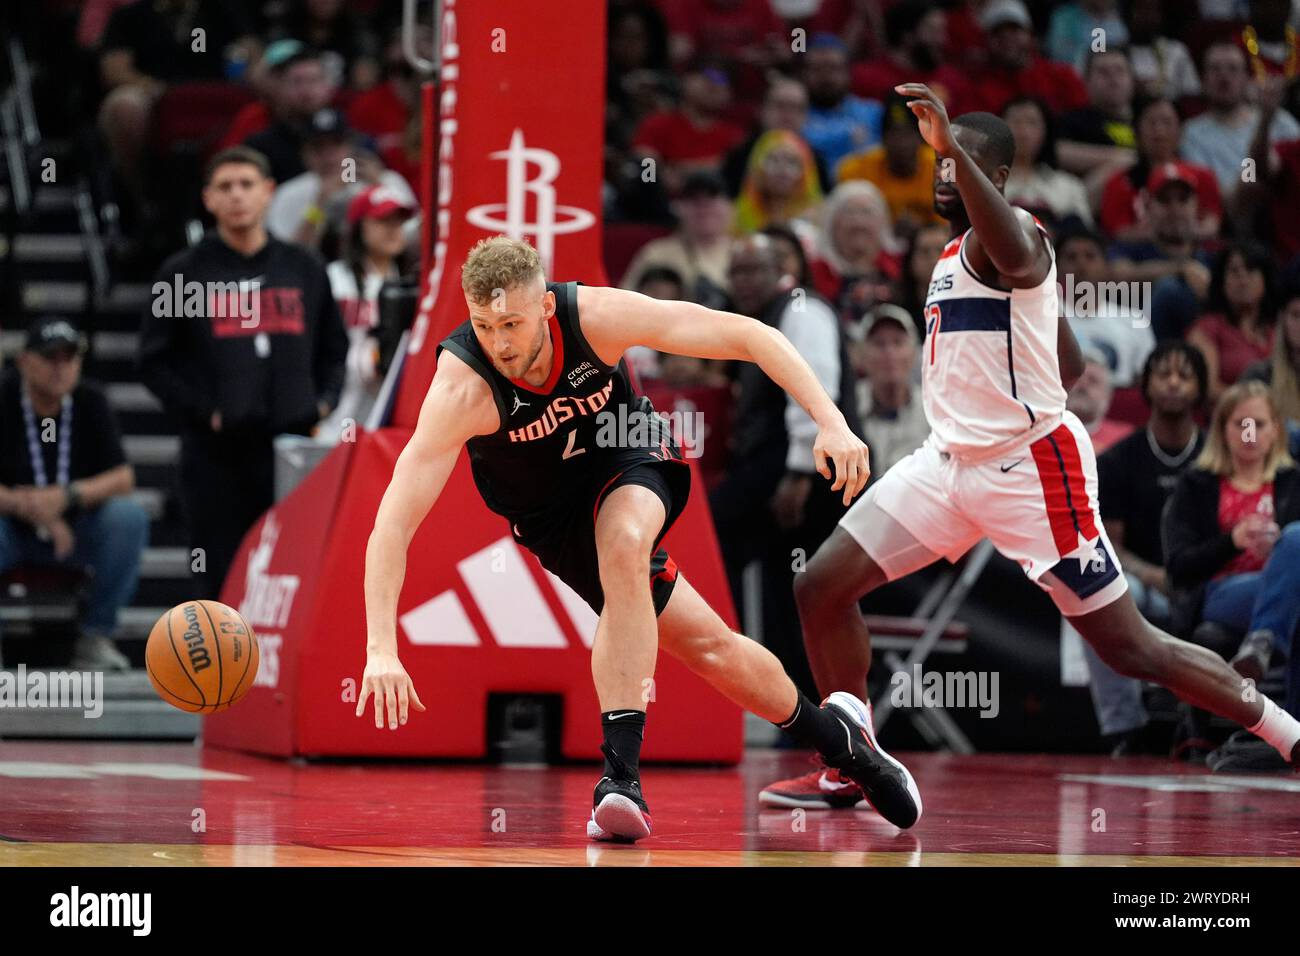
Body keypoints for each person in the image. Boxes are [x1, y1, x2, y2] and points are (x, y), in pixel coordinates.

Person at [759, 87, 1300, 810]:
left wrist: (951, 143)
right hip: (946, 464)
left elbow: (1016, 255)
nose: (944, 174)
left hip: (1030, 469)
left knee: (1132, 647)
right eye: (940, 165)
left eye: (961, 164)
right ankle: (850, 759)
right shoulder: (953, 254)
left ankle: (1289, 732)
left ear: (998, 178)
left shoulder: (1015, 232)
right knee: (819, 587)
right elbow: (1068, 365)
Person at [358, 236, 921, 841]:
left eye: (513, 323)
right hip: (555, 519)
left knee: (624, 543)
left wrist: (830, 421)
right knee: (710, 648)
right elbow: (393, 522)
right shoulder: (461, 390)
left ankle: (619, 778)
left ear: (546, 308)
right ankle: (842, 742)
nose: (499, 342)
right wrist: (381, 649)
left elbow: (746, 335)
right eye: (484, 324)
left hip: (627, 454)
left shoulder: (595, 318)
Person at [139, 147, 348, 601]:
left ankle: (281, 673)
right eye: (225, 187)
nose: (237, 196)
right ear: (208, 199)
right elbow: (154, 362)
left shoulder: (303, 267)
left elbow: (335, 347)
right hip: (215, 457)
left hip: (293, 450)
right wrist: (204, 412)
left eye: (247, 185)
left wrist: (324, 402)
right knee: (221, 578)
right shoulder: (182, 274)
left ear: (269, 192)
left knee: (293, 574)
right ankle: (221, 672)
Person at [710, 234, 863, 701]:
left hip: (810, 468)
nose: (744, 281)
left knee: (712, 534)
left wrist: (798, 474)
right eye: (736, 272)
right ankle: (797, 710)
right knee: (787, 591)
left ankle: (729, 677)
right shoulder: (760, 321)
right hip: (784, 465)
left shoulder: (801, 310)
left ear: (784, 267)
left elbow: (815, 390)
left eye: (754, 270)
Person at [1164, 382, 1300, 769]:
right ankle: (1288, 726)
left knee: (1294, 539)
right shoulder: (1197, 484)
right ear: (1223, 430)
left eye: (1259, 423)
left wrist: (1280, 550)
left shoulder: (1294, 482)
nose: (1250, 434)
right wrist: (1233, 541)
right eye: (1240, 423)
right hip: (1221, 595)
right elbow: (1179, 567)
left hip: (1283, 592)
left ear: (1276, 429)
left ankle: (1262, 644)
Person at [0, 318, 149, 670]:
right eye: (51, 357)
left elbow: (124, 478)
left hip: (75, 533)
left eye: (70, 358)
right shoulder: (4, 397)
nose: (61, 368)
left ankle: (94, 636)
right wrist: (26, 504)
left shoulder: (89, 399)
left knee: (128, 517)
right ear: (24, 361)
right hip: (13, 531)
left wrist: (65, 497)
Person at [1086, 342, 1207, 752]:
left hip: (1203, 583)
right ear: (1146, 386)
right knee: (1098, 596)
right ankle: (1124, 729)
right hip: (1147, 589)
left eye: (1184, 375)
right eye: (1164, 374)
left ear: (1201, 388)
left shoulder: (1214, 456)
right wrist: (1154, 575)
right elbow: (1110, 546)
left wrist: (1189, 576)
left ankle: (1212, 728)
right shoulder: (1120, 459)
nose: (1173, 383)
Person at [317, 185, 416, 442]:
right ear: (360, 227)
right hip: (335, 412)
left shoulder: (414, 287)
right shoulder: (333, 279)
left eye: (400, 221)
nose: (394, 229)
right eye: (383, 220)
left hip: (386, 408)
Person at [1180, 41, 1300, 203]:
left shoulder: (1278, 120)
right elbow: (1209, 192)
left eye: (1233, 69)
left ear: (1247, 79)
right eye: (1215, 69)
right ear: (1203, 79)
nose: (1224, 76)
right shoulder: (1191, 133)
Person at [620, 169, 733, 310]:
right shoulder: (656, 253)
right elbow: (625, 303)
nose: (703, 207)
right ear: (679, 208)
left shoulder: (746, 252)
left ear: (729, 206)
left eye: (712, 197)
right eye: (694, 200)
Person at [1187, 242, 1276, 404]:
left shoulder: (1280, 327)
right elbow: (1208, 389)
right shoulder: (1207, 328)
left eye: (1250, 270)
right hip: (1231, 419)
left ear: (1265, 278)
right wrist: (1262, 404)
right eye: (1234, 271)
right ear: (1222, 280)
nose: (1242, 280)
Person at [850, 304, 930, 478]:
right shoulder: (846, 411)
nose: (889, 353)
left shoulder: (933, 411)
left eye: (898, 342)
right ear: (861, 356)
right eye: (879, 344)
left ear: (914, 353)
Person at [1001, 96, 1093, 226]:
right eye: (1016, 122)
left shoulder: (1071, 187)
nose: (1023, 131)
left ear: (1046, 131)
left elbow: (1082, 238)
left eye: (1032, 123)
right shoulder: (985, 182)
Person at [1066, 349, 1135, 452]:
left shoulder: (1126, 439)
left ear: (1108, 395)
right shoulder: (1041, 429)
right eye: (1076, 379)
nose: (1083, 385)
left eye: (1093, 380)